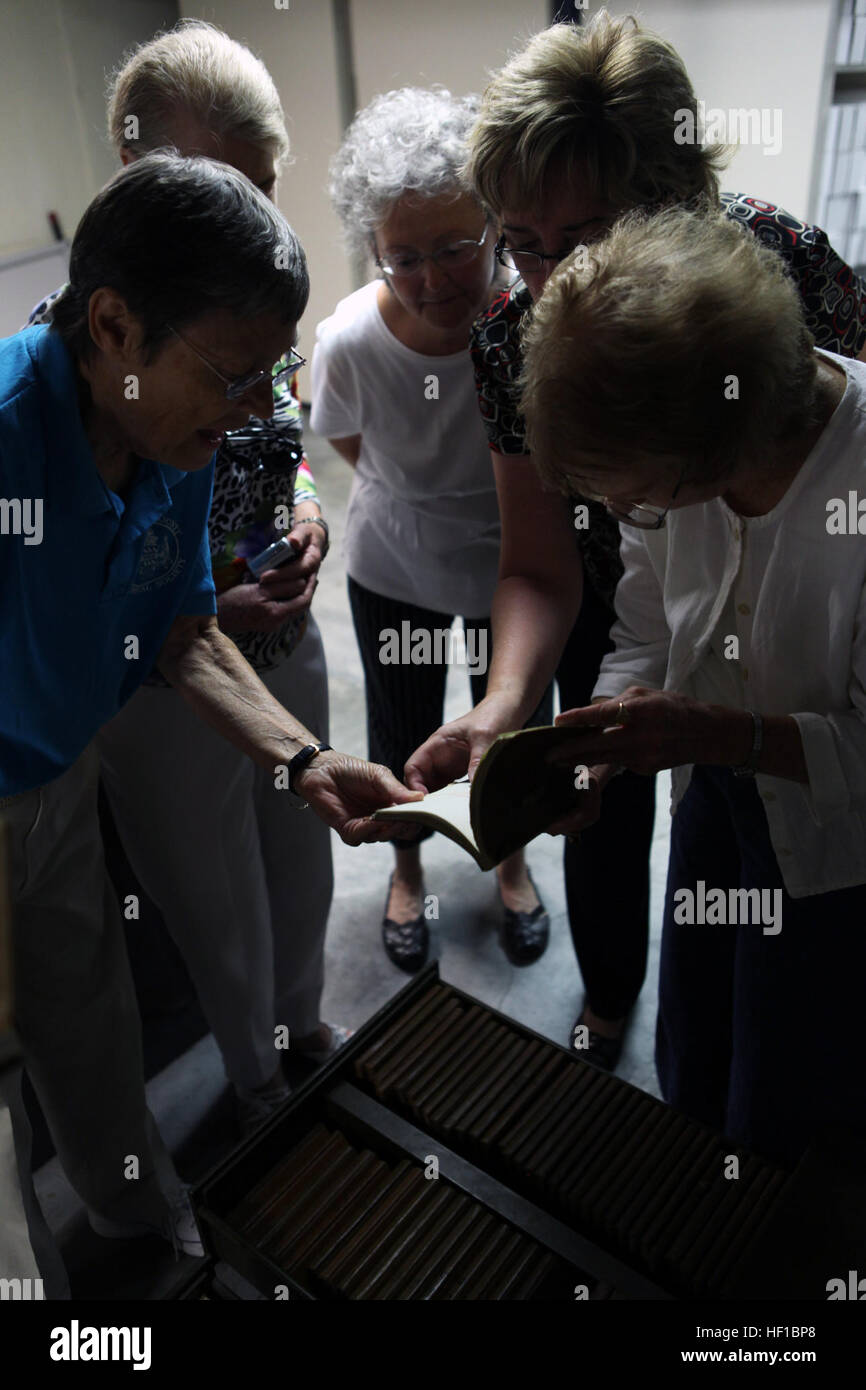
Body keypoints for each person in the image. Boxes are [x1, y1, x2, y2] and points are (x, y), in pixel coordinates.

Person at [406, 9, 866, 1068]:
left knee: (802, 1015)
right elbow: (542, 562)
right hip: (639, 614)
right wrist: (505, 712)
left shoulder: (785, 280)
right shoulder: (516, 337)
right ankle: (620, 1003)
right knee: (612, 817)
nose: (546, 283)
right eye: (517, 243)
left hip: (782, 650)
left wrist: (726, 730)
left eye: (581, 240)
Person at [0, 152, 419, 1272]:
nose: (248, 417)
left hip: (54, 776)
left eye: (264, 381)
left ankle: (139, 1224)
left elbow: (183, 629)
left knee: (89, 1026)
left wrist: (303, 760)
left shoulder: (167, 436)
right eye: (232, 376)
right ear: (114, 326)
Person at [26, 20, 342, 1134]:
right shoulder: (59, 397)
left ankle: (293, 1041)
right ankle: (246, 1090)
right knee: (204, 908)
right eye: (222, 187)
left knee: (288, 870)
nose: (253, 221)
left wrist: (302, 510)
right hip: (121, 722)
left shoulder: (221, 347)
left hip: (237, 662)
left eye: (264, 187)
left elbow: (280, 442)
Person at [518, 203, 866, 1165]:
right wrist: (605, 737)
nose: (629, 513)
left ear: (719, 451)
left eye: (638, 495)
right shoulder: (677, 461)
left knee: (799, 1084)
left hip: (847, 852)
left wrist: (716, 735)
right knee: (701, 1031)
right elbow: (642, 624)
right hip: (716, 794)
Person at [311, 87, 553, 973]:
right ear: (374, 251)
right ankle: (407, 874)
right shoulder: (348, 341)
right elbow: (346, 441)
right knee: (401, 725)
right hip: (398, 559)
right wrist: (420, 489)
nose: (433, 279)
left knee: (516, 727)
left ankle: (513, 864)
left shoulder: (532, 324)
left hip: (516, 562)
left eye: (457, 247)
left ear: (494, 222)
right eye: (402, 258)